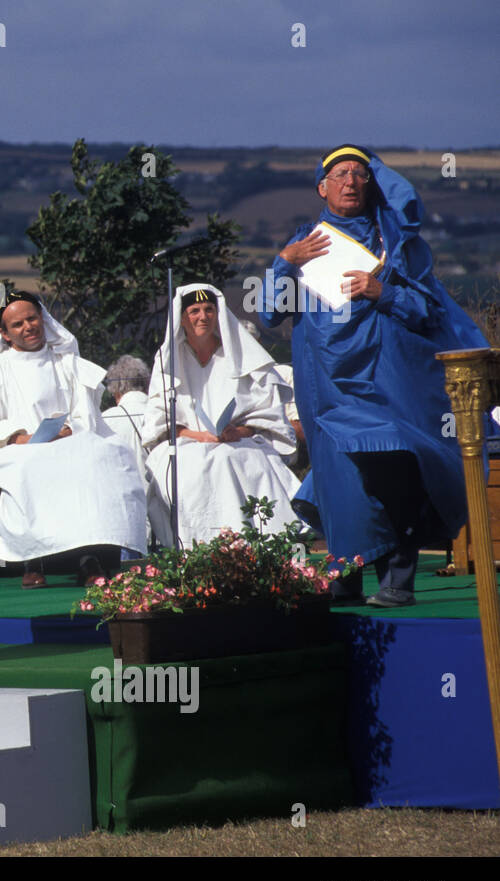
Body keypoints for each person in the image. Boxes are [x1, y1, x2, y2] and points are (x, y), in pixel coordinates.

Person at [263, 145, 488, 606]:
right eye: (340, 174)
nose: (350, 182)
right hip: (325, 386)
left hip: (385, 383)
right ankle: (345, 576)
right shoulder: (305, 243)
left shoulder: (394, 245)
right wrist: (284, 261)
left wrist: (381, 289)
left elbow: (428, 311)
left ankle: (397, 581)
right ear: (321, 187)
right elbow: (269, 313)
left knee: (394, 465)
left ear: (373, 184)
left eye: (360, 174)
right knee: (340, 477)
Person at [0, 292, 148, 587]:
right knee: (31, 466)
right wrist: (22, 438)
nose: (28, 327)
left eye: (32, 318)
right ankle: (32, 560)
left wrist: (70, 430)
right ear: (5, 333)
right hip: (17, 448)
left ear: (43, 318)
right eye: (18, 324)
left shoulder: (66, 362)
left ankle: (89, 556)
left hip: (68, 440)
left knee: (105, 455)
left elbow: (84, 413)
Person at [142, 284, 301, 547]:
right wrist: (197, 435)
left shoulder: (241, 356)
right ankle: (196, 547)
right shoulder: (168, 359)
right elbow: (160, 419)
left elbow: (266, 412)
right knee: (190, 467)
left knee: (230, 460)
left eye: (208, 309)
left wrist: (238, 431)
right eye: (194, 311)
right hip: (187, 441)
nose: (202, 316)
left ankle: (249, 546)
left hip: (238, 440)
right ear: (182, 318)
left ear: (218, 314)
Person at [102, 354, 151, 473]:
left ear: (116, 392)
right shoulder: (163, 412)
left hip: (123, 489)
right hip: (163, 490)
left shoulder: (105, 419)